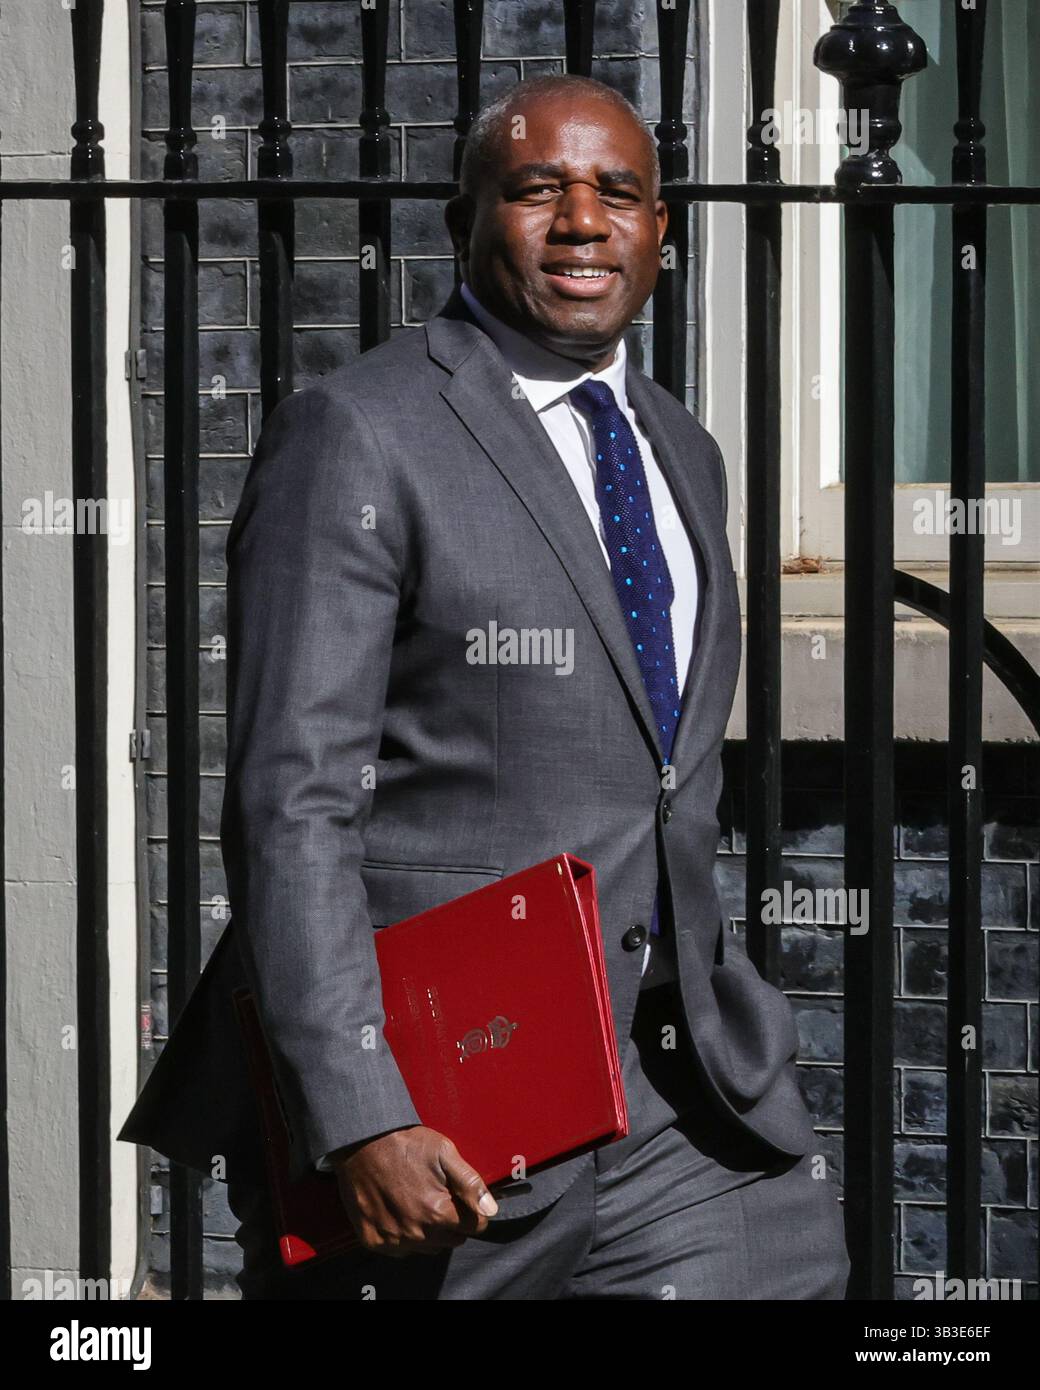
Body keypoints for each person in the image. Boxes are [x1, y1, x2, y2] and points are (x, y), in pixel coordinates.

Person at [119, 74, 851, 1300]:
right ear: (468, 215)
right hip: (456, 1108)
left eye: (617, 193)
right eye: (535, 189)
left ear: (659, 233)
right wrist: (359, 1114)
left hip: (687, 1107)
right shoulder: (359, 432)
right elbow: (292, 802)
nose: (580, 220)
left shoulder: (684, 448)